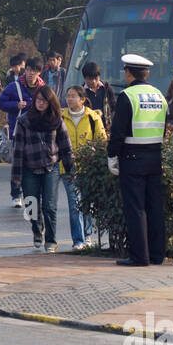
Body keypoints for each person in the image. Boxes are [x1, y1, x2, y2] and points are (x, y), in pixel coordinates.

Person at [106, 54, 166, 266]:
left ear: (129, 73)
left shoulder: (127, 96)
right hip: (155, 155)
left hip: (132, 156)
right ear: (147, 73)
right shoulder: (159, 95)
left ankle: (140, 256)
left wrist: (112, 154)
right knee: (155, 206)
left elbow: (118, 130)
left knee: (136, 207)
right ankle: (157, 255)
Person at [12, 86, 73, 252]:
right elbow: (17, 150)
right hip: (29, 168)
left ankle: (51, 240)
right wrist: (16, 176)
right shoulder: (24, 121)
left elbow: (65, 145)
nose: (40, 103)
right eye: (38, 100)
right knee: (31, 204)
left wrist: (69, 167)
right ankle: (37, 230)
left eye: (44, 101)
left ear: (50, 102)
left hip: (50, 167)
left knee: (50, 206)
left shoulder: (57, 120)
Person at [0, 56, 46, 208]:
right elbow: (1, 103)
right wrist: (16, 105)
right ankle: (16, 194)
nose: (31, 73)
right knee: (18, 163)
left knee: (34, 164)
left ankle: (31, 195)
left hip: (38, 132)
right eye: (29, 70)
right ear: (26, 70)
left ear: (39, 72)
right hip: (18, 131)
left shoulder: (43, 88)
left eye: (35, 71)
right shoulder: (14, 86)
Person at [61, 85, 105, 250]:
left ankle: (87, 236)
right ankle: (78, 241)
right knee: (75, 203)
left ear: (82, 99)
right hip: (68, 167)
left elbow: (101, 140)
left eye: (73, 96)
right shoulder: (61, 118)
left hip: (88, 167)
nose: (69, 99)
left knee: (86, 203)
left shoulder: (93, 118)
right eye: (68, 96)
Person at [82, 62, 112, 130]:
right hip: (88, 128)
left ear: (99, 76)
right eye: (90, 79)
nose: (93, 81)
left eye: (96, 78)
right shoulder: (81, 91)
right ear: (85, 78)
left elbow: (113, 106)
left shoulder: (106, 88)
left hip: (105, 127)